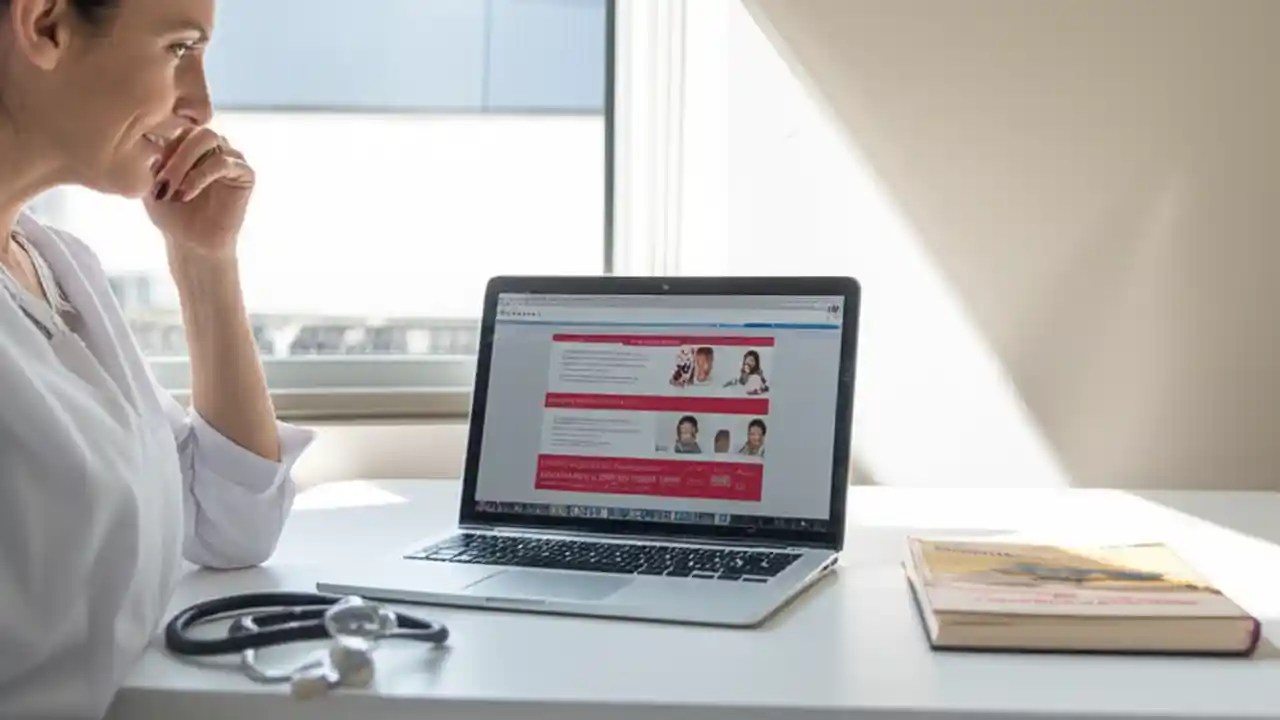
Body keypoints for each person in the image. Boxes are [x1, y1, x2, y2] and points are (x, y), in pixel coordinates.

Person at [0, 1, 313, 717]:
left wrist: (204, 259)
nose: (199, 105)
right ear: (46, 24)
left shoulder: (54, 264)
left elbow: (232, 522)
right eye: (179, 49)